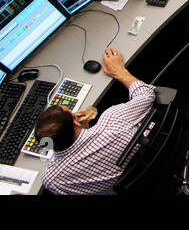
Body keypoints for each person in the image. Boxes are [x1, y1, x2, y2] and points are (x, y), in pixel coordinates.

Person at [36, 48, 156, 195]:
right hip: (155, 152)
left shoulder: (52, 180)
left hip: (131, 186)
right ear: (76, 122)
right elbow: (147, 94)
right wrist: (119, 71)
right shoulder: (112, 121)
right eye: (71, 113)